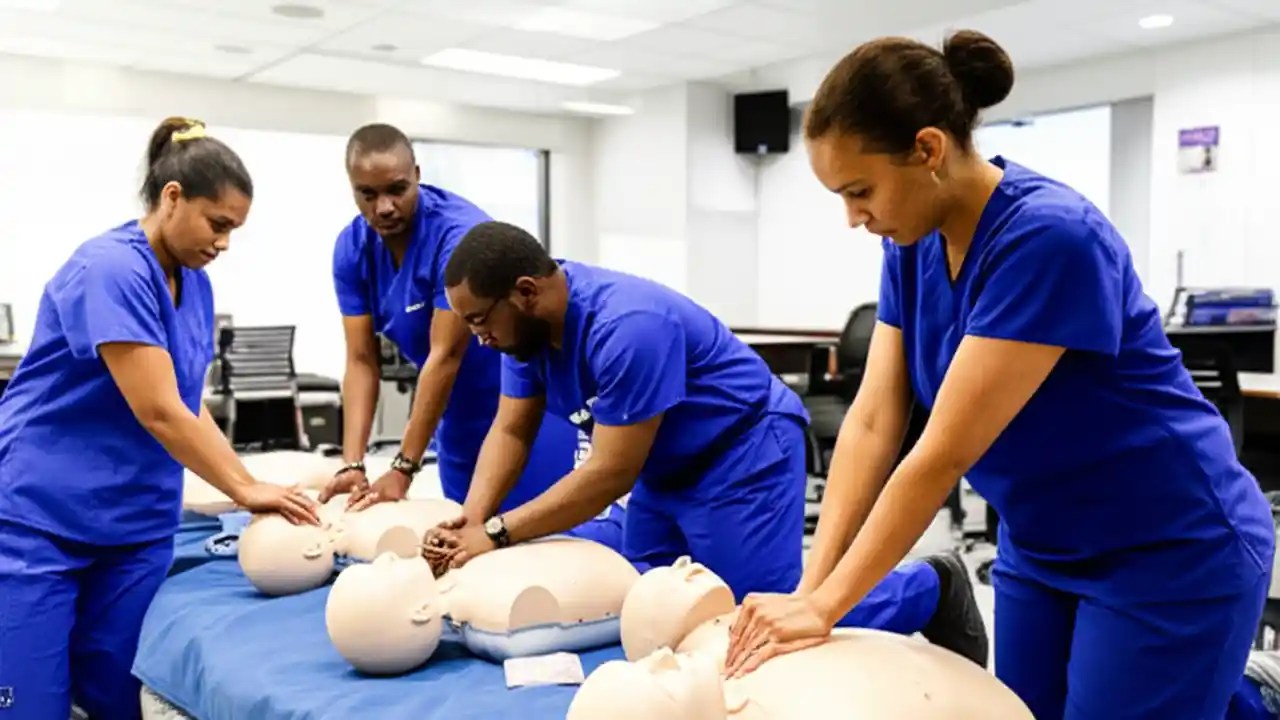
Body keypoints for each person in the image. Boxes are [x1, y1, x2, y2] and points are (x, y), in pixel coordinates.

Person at [722, 29, 1278, 720]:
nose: (852, 217)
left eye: (860, 190)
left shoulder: (1049, 237)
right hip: (1042, 540)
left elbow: (941, 453)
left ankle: (1253, 692)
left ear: (928, 150)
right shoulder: (910, 242)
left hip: (1166, 543)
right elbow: (873, 420)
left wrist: (827, 606)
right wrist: (811, 590)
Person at [422, 219, 990, 667]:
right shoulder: (523, 338)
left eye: (479, 321)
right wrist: (471, 519)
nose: (478, 337)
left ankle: (929, 586)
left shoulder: (626, 326)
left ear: (524, 292)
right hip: (665, 467)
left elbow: (609, 474)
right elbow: (511, 427)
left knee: (754, 609)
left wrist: (497, 532)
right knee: (649, 590)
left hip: (743, 451)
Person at [0, 117, 320, 720]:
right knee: (26, 703)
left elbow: (185, 399)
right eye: (217, 223)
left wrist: (242, 476)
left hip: (135, 522)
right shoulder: (109, 269)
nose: (224, 242)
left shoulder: (194, 284)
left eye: (235, 230)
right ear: (172, 197)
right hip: (39, 516)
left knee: (119, 698)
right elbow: (158, 409)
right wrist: (246, 489)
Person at [318, 125, 619, 541]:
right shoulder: (352, 249)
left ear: (418, 175)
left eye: (397, 189)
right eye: (367, 194)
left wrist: (405, 465)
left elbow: (446, 355)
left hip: (524, 406)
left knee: (537, 543)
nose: (384, 206)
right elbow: (360, 360)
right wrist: (353, 464)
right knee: (463, 536)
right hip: (454, 415)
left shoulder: (456, 235)